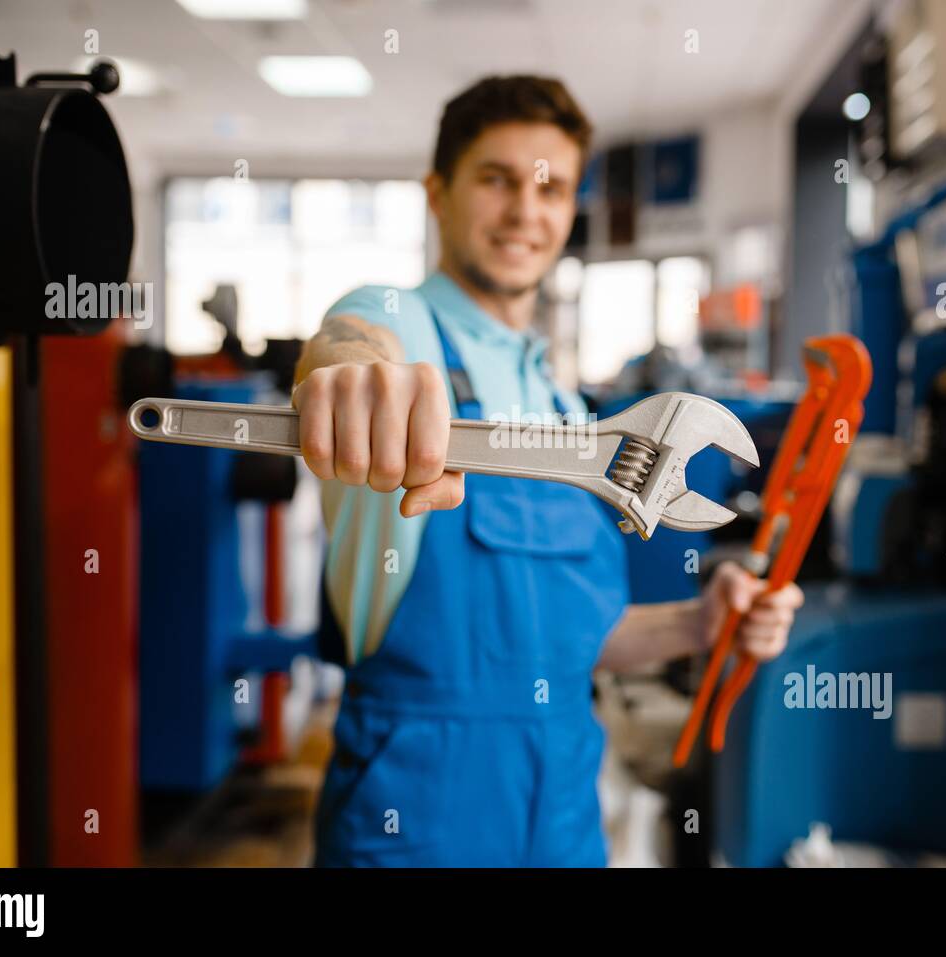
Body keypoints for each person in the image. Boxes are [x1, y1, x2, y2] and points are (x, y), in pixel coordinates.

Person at [293, 75, 803, 867]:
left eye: (551, 187)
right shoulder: (401, 320)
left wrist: (698, 625)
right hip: (420, 806)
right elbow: (353, 341)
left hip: (563, 807)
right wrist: (354, 375)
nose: (525, 211)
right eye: (496, 179)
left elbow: (575, 633)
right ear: (439, 193)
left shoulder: (566, 407)